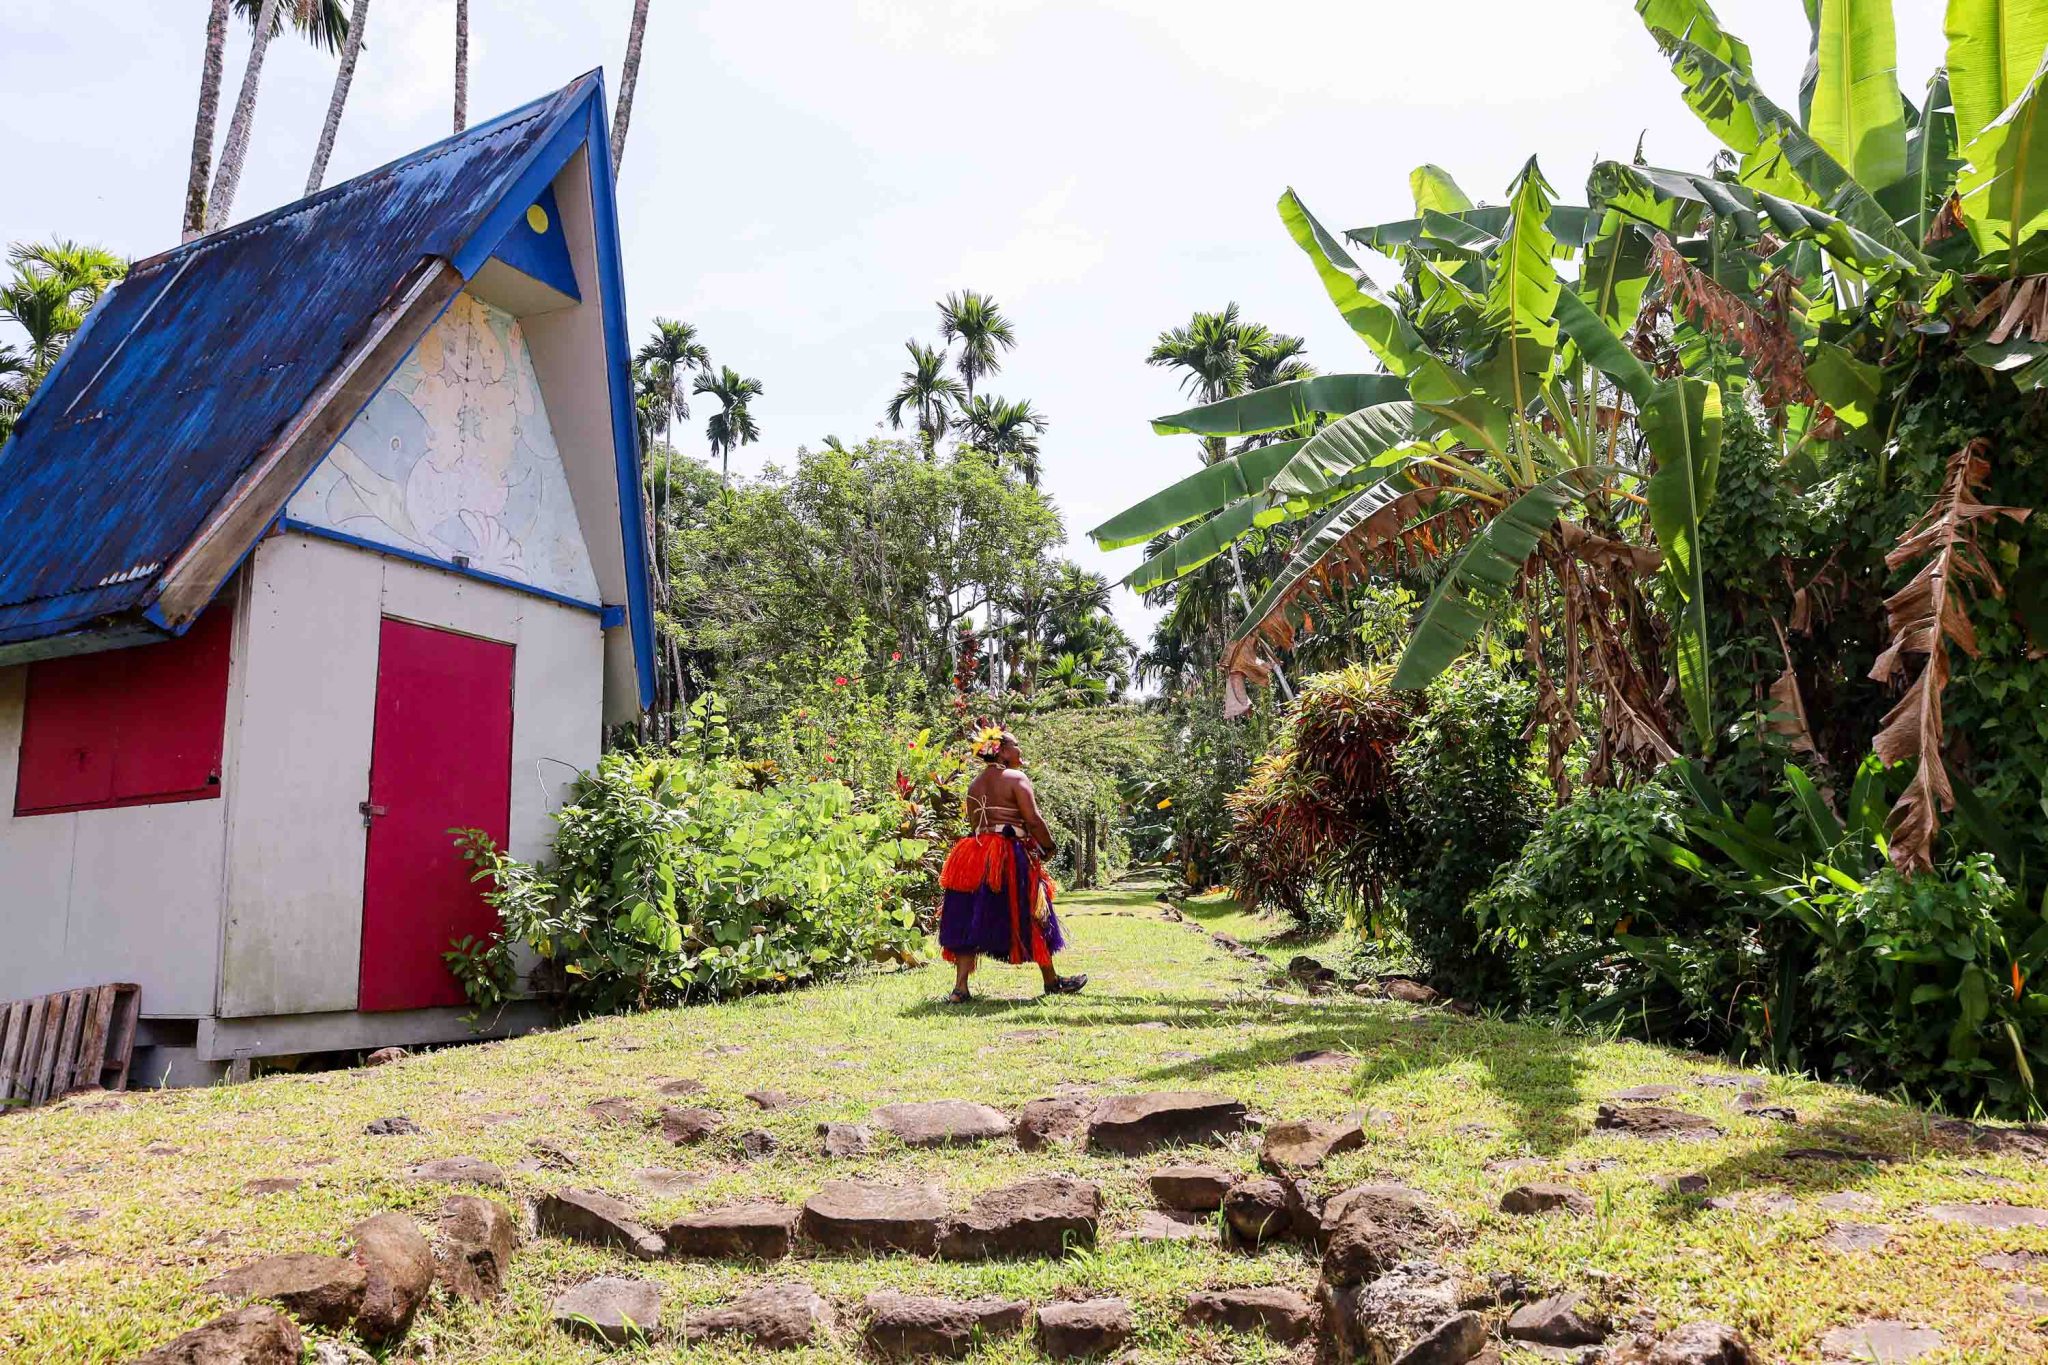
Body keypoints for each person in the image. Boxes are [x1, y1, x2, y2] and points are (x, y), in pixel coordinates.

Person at [936, 724, 1087, 1004]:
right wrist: (1048, 846)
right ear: (1002, 751)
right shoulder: (1016, 778)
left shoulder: (974, 785)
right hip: (1007, 855)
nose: (1020, 750)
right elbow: (1032, 819)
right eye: (1016, 746)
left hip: (971, 854)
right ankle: (1051, 981)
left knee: (968, 915)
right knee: (1033, 908)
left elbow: (976, 824)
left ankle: (960, 988)